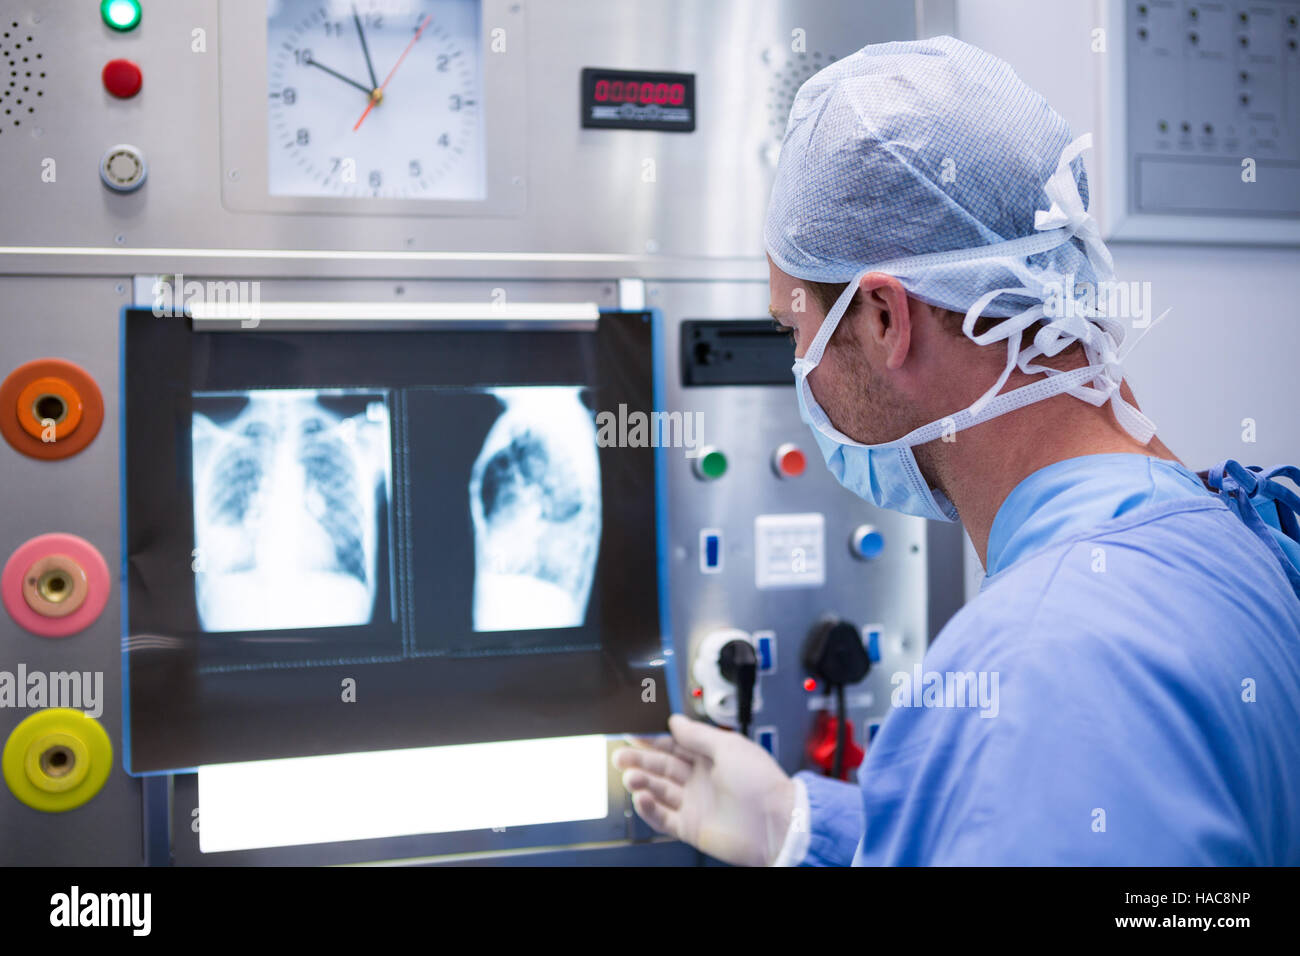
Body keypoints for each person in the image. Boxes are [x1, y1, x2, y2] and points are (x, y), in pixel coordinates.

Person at [612, 36, 1300, 865]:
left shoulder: (1037, 672)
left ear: (883, 320)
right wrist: (801, 827)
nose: (800, 373)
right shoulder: (1227, 537)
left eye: (797, 332)